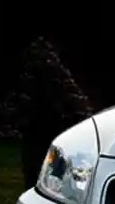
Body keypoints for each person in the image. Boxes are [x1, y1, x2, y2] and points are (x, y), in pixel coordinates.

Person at [16, 37, 93, 190]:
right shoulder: (51, 71)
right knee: (43, 174)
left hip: (48, 130)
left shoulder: (52, 71)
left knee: (47, 175)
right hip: (44, 130)